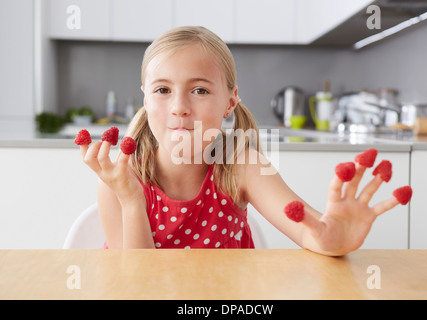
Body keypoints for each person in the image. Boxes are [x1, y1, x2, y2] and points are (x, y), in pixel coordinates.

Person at [79, 26, 401, 255]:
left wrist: (333, 239)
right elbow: (138, 288)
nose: (179, 107)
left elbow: (308, 229)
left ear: (230, 102)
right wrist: (132, 200)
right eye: (163, 90)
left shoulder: (240, 165)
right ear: (146, 100)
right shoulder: (120, 179)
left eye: (200, 90)